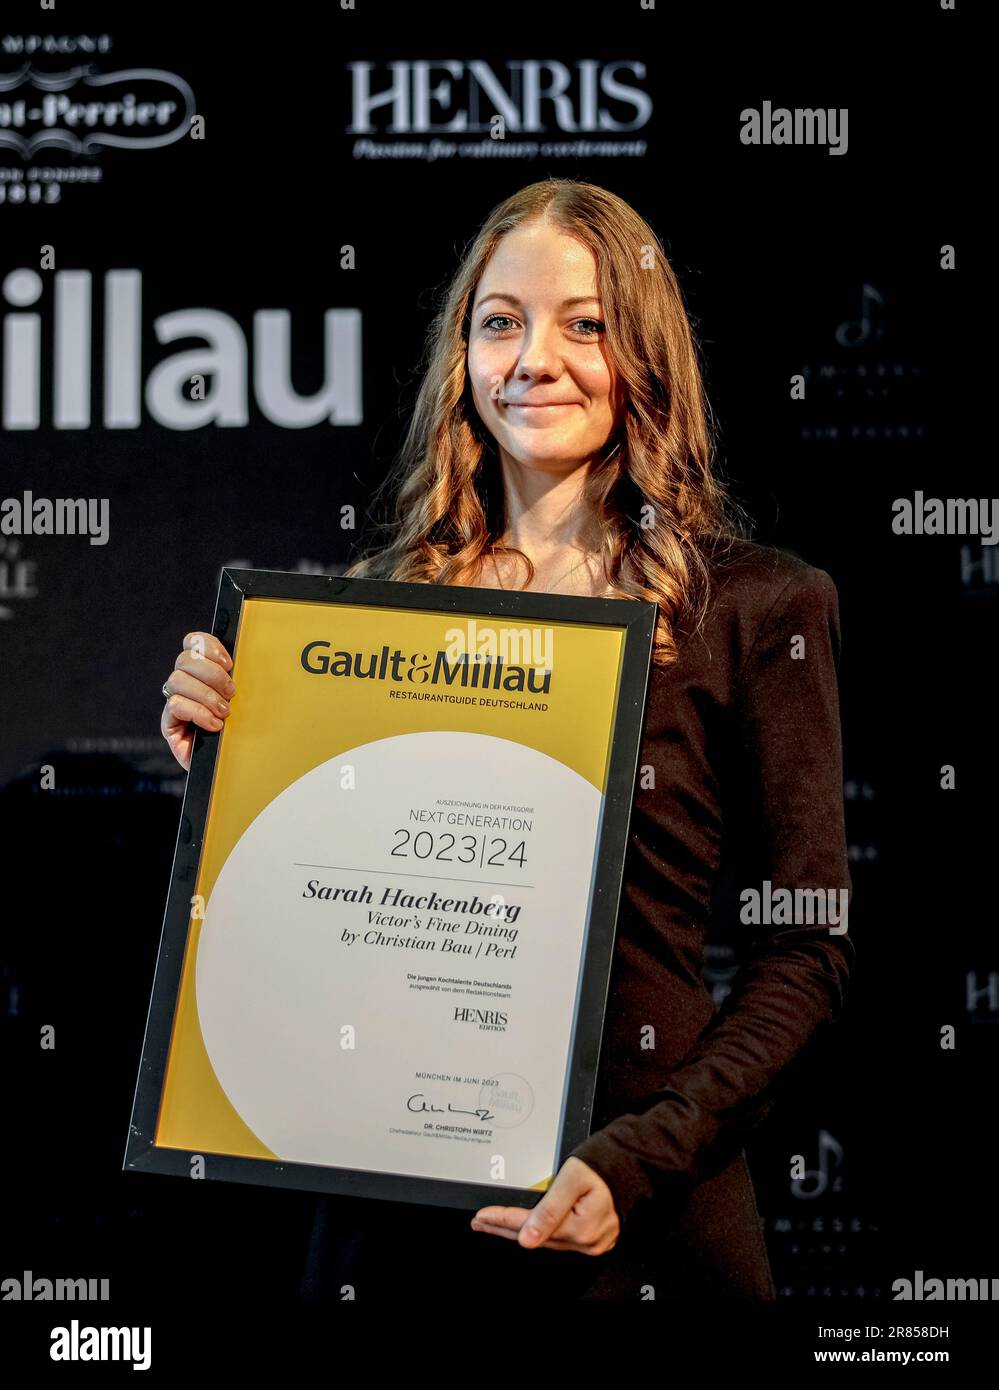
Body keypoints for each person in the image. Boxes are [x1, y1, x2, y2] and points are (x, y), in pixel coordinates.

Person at [160, 179, 854, 1301]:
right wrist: (228, 780)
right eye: (500, 321)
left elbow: (807, 953)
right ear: (462, 357)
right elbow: (311, 935)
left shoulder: (757, 609)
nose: (536, 357)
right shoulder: (370, 610)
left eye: (585, 323)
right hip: (395, 1227)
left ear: (645, 352)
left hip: (642, 1218)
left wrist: (636, 1161)